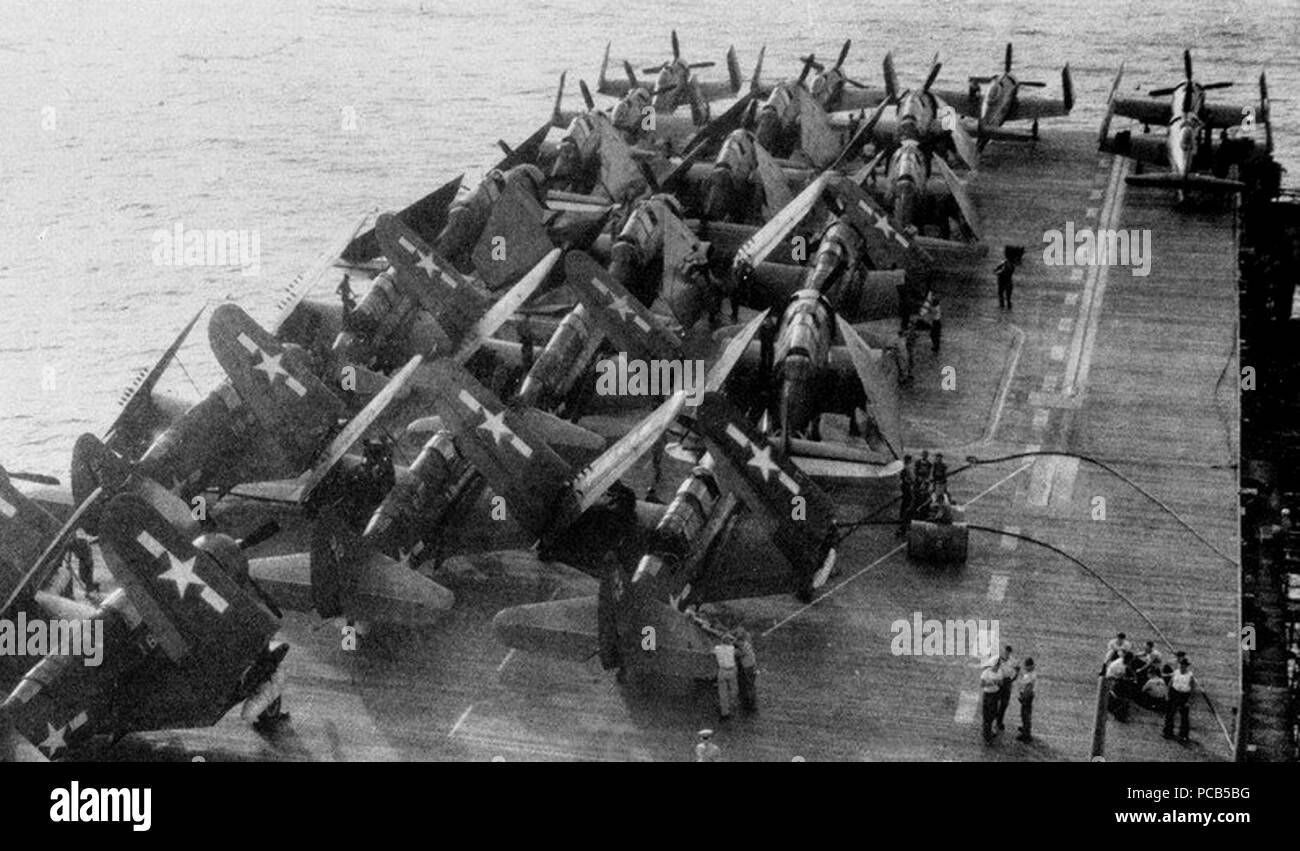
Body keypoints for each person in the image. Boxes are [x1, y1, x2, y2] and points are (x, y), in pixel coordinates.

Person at [1164, 657, 1195, 743]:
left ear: (1186, 666)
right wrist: (1167, 694)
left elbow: (1192, 688)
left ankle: (1183, 735)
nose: (1182, 667)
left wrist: (1189, 701)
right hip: (1174, 693)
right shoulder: (1176, 672)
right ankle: (1168, 732)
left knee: (1184, 716)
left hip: (1184, 696)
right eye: (1181, 665)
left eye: (1184, 665)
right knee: (1170, 713)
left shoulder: (1190, 675)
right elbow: (1170, 683)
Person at [714, 635, 739, 719]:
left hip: (722, 671)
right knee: (733, 689)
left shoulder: (717, 648)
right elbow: (735, 645)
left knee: (722, 692)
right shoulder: (732, 648)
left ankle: (724, 711)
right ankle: (733, 705)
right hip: (731, 671)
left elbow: (712, 651)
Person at [996, 645, 1019, 732]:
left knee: (1004, 703)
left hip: (1006, 682)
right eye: (1005, 652)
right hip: (999, 681)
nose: (1006, 654)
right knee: (995, 701)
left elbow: (1017, 669)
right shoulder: (998, 659)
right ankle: (996, 718)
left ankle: (999, 721)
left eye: (1008, 653)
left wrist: (1013, 679)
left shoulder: (1013, 661)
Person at [980, 656, 1002, 744]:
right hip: (988, 695)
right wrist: (991, 683)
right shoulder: (985, 673)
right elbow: (982, 684)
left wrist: (997, 683)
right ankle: (987, 736)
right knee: (987, 716)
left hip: (995, 695)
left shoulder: (999, 672)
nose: (997, 667)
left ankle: (988, 731)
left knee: (993, 714)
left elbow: (1001, 683)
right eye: (996, 665)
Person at [736, 629, 758, 712]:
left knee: (749, 684)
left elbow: (738, 654)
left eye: (738, 642)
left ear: (741, 641)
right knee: (751, 685)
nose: (737, 644)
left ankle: (750, 703)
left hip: (748, 668)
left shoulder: (743, 648)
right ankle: (752, 701)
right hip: (752, 667)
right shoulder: (748, 645)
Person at [1017, 657, 1036, 742]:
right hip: (1028, 696)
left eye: (1026, 666)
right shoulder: (1031, 673)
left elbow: (1027, 689)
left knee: (1025, 715)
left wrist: (1022, 697)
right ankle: (1026, 729)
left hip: (1026, 697)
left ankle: (1026, 735)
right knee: (1026, 714)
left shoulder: (1029, 676)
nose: (1024, 667)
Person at [898, 455, 916, 537]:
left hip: (904, 486)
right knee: (908, 502)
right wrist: (912, 482)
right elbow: (910, 479)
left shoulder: (904, 467)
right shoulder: (907, 468)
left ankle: (902, 517)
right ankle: (905, 519)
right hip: (907, 487)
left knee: (905, 502)